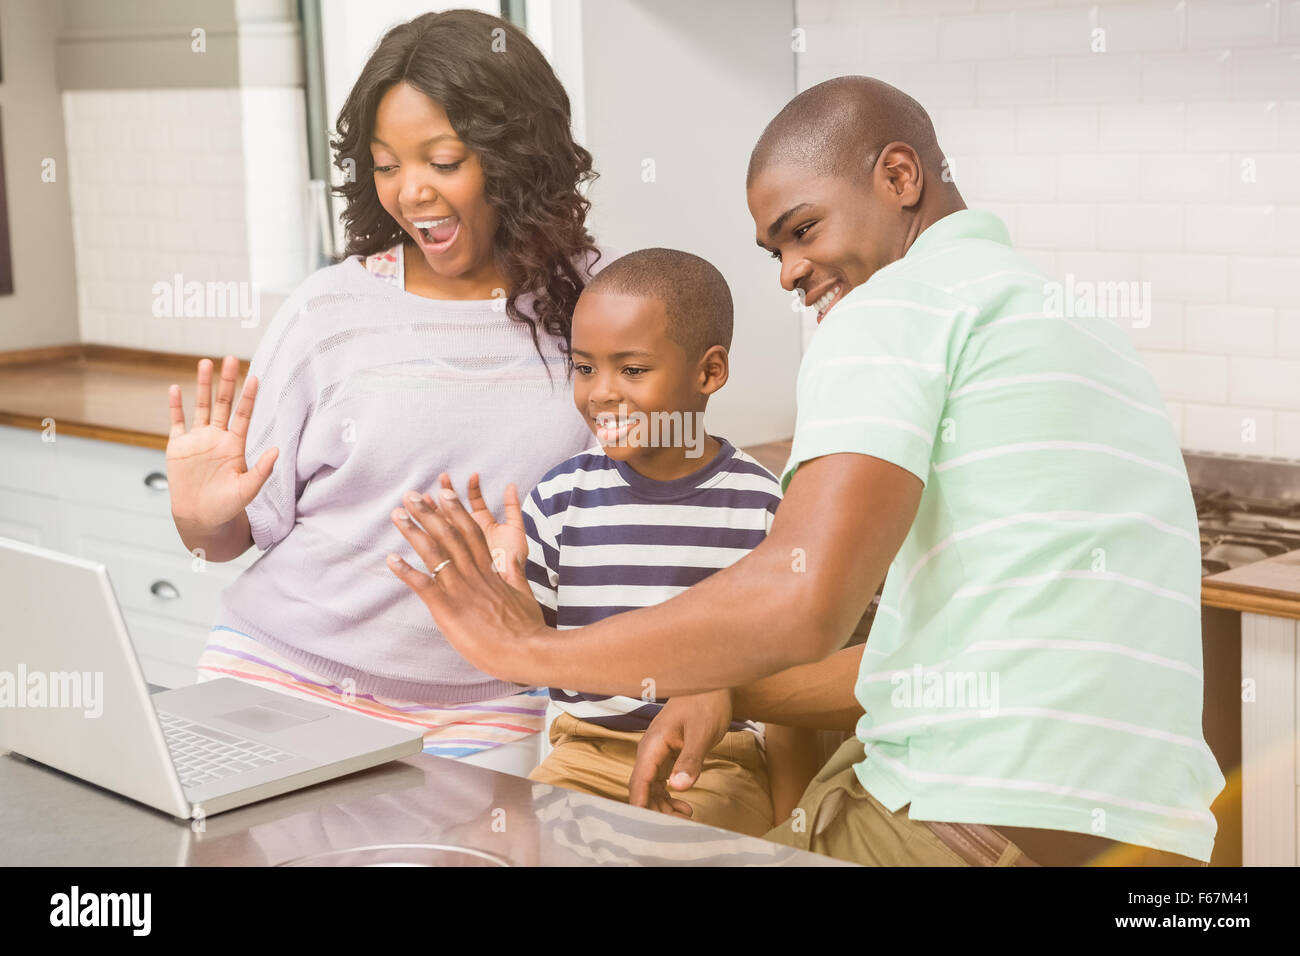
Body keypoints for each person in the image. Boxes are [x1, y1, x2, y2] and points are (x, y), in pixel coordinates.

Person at [383, 75, 1225, 865]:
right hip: (1130, 825)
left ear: (899, 177)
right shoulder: (1062, 315)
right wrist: (730, 693)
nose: (788, 271)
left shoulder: (895, 306)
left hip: (962, 807)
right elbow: (929, 666)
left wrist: (527, 650)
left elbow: (801, 604)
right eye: (773, 248)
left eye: (803, 229)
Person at [163, 9, 616, 759]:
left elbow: (644, 498)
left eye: (443, 161)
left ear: (517, 159)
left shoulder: (598, 309)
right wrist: (201, 520)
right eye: (386, 165)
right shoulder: (329, 310)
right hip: (280, 674)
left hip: (489, 702)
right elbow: (228, 539)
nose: (410, 193)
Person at [405, 248, 820, 836]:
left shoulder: (764, 508)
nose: (601, 393)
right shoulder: (560, 498)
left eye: (632, 370)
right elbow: (530, 658)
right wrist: (505, 583)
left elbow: (788, 687)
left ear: (709, 373)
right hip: (582, 753)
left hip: (710, 768)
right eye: (584, 368)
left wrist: (790, 831)